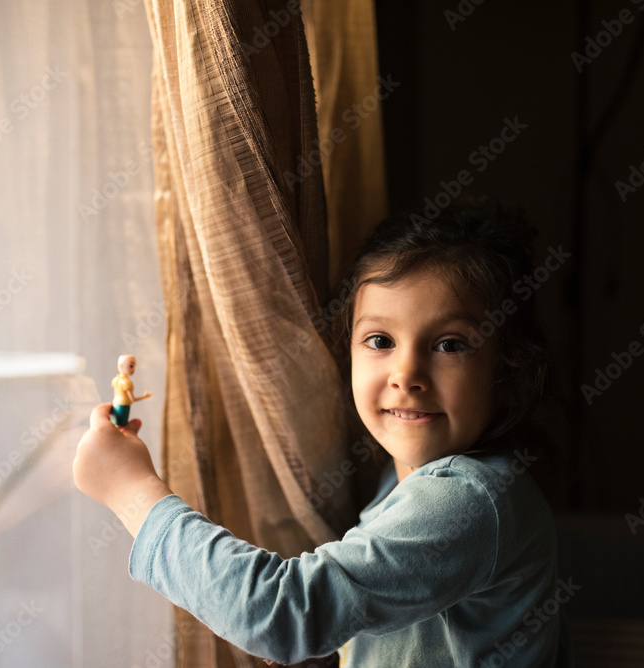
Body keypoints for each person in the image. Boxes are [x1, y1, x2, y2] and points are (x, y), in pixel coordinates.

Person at [73, 197, 569, 667]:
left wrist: (131, 491)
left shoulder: (471, 499)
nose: (406, 373)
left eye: (450, 345)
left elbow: (279, 613)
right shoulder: (407, 485)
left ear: (507, 370)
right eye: (380, 340)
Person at [109, 354, 151, 427]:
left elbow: (115, 394)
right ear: (121, 366)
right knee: (122, 427)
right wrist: (145, 396)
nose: (133, 369)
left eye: (134, 366)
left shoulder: (116, 379)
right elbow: (133, 399)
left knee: (115, 425)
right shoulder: (127, 382)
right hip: (123, 407)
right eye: (131, 366)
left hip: (115, 404)